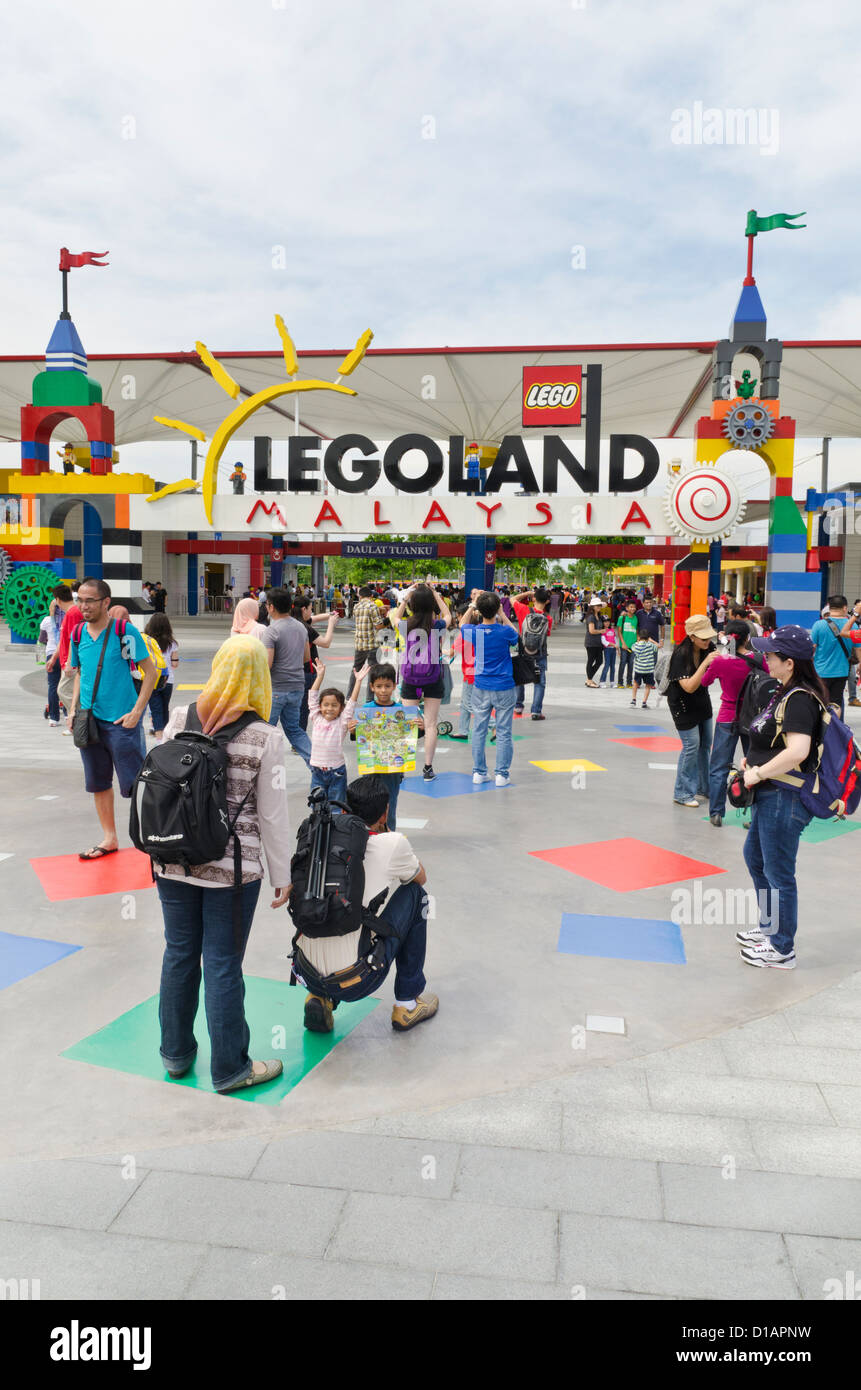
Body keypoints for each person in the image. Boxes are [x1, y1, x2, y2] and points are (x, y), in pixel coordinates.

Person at [156, 636, 291, 1091]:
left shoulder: (179, 719)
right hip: (233, 871)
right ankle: (231, 1068)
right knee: (222, 963)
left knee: (178, 954)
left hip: (172, 860)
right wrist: (283, 875)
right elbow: (272, 814)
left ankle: (175, 1054)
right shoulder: (266, 737)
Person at [289, 774, 437, 1035]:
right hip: (354, 981)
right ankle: (407, 1003)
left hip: (305, 970)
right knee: (416, 895)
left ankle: (318, 996)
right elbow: (420, 877)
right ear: (385, 812)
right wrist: (390, 834)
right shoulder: (391, 843)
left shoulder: (318, 833)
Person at [737, 626, 830, 969]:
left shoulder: (800, 699)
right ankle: (769, 927)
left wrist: (758, 772)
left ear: (789, 663)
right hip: (771, 793)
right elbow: (773, 738)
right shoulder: (785, 691)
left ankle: (781, 948)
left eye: (771, 655)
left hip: (784, 796)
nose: (766, 658)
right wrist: (755, 760)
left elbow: (798, 751)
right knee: (757, 859)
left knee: (778, 871)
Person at [66, 577, 157, 859]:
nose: (83, 606)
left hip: (122, 722)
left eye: (89, 601)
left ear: (106, 602)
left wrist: (137, 712)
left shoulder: (123, 631)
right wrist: (73, 709)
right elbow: (80, 672)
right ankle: (109, 838)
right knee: (98, 782)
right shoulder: (78, 633)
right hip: (89, 720)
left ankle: (152, 841)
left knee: (137, 784)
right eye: (80, 600)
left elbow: (150, 673)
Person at [701, 620, 766, 826]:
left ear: (727, 637)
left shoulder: (721, 661)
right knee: (755, 766)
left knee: (719, 767)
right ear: (748, 638)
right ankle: (755, 815)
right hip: (753, 719)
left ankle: (717, 813)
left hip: (727, 718)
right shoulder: (758, 659)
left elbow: (704, 682)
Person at [390, 581, 451, 781]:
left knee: (407, 723)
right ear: (431, 604)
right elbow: (448, 616)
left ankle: (401, 769)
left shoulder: (406, 625)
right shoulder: (437, 626)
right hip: (433, 677)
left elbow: (396, 616)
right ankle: (427, 768)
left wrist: (406, 596)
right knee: (431, 724)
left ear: (412, 604)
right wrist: (435, 595)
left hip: (410, 678)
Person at [459, 590, 519, 788]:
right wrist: (502, 615)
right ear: (497, 608)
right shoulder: (504, 632)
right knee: (503, 731)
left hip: (481, 685)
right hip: (504, 685)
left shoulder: (474, 631)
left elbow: (461, 624)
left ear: (479, 610)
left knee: (478, 730)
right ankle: (501, 774)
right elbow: (516, 635)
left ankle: (479, 771)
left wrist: (472, 605)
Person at [351, 662, 418, 829]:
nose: (383, 690)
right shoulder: (366, 710)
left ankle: (390, 836)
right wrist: (353, 731)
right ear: (372, 687)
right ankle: (369, 835)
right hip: (372, 768)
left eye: (387, 686)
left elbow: (408, 738)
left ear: (394, 686)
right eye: (379, 686)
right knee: (369, 804)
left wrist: (419, 729)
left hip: (393, 770)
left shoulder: (401, 710)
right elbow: (359, 739)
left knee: (390, 806)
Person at [667, 614, 716, 807]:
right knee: (691, 746)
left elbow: (709, 678)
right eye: (703, 638)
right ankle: (682, 792)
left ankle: (704, 787)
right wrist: (705, 664)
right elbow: (688, 686)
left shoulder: (709, 648)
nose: (708, 641)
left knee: (705, 745)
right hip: (683, 706)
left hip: (702, 701)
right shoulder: (680, 655)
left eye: (709, 637)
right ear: (692, 637)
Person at [259, 588, 313, 763]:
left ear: (271, 607)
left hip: (276, 688)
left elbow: (267, 664)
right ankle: (318, 765)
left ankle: (258, 771)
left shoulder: (271, 631)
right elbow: (307, 658)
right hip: (297, 686)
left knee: (265, 731)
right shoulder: (301, 627)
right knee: (294, 730)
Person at [307, 659, 367, 805]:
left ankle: (335, 828)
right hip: (317, 771)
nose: (329, 708)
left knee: (336, 806)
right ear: (320, 707)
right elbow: (312, 696)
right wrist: (320, 676)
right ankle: (319, 829)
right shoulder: (317, 717)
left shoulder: (341, 723)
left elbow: (352, 703)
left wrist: (358, 681)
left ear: (341, 708)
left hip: (336, 772)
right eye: (326, 705)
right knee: (317, 807)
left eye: (334, 705)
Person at [292, 598, 339, 730]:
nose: (312, 611)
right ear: (304, 609)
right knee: (304, 708)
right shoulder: (306, 628)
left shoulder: (292, 621)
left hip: (292, 670)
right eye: (311, 608)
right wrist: (331, 624)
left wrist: (330, 615)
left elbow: (315, 618)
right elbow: (326, 643)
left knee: (295, 707)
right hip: (308, 671)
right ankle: (298, 738)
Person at [510, 586, 552, 720]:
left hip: (523, 651)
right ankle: (536, 711)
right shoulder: (548, 618)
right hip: (540, 653)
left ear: (534, 598)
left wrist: (527, 593)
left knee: (519, 678)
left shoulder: (524, 610)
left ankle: (518, 706)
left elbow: (512, 599)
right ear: (547, 601)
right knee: (540, 682)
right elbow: (547, 634)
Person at [811, 594, 853, 716]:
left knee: (819, 701)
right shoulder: (852, 625)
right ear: (845, 608)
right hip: (841, 671)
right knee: (836, 703)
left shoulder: (818, 625)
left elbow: (811, 648)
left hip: (821, 671)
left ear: (829, 608)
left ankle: (818, 730)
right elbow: (858, 649)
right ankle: (835, 729)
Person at [42, 584, 75, 725]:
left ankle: (72, 718)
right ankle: (71, 718)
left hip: (70, 661)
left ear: (57, 599)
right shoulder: (69, 614)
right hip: (64, 659)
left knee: (63, 690)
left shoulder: (72, 613)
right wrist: (55, 657)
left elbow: (73, 640)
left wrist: (69, 662)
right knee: (63, 690)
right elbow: (64, 639)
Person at [145, 613, 179, 740]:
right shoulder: (172, 643)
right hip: (168, 679)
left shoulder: (148, 641)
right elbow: (175, 664)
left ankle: (159, 735)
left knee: (155, 708)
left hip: (152, 679)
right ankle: (165, 733)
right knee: (165, 707)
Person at [449, 602, 475, 738]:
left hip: (471, 673)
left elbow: (451, 653)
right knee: (466, 703)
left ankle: (493, 725)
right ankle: (463, 730)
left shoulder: (464, 634)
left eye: (458, 616)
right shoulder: (478, 629)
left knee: (469, 703)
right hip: (479, 672)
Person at [352, 583, 385, 674]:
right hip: (372, 644)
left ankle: (352, 688)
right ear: (371, 596)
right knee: (373, 672)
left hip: (360, 644)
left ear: (360, 596)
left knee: (356, 670)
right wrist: (388, 620)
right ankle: (371, 688)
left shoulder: (356, 607)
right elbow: (378, 626)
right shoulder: (372, 606)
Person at [631, 631, 658, 708]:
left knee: (635, 683)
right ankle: (644, 702)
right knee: (648, 686)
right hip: (648, 670)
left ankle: (633, 700)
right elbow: (657, 647)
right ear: (648, 638)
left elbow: (632, 648)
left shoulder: (635, 645)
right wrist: (652, 641)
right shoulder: (651, 645)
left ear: (639, 637)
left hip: (639, 669)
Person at [616, 600, 639, 688]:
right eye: (631, 607)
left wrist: (637, 642)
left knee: (631, 664)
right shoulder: (622, 618)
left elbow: (636, 631)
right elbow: (619, 632)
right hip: (624, 646)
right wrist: (623, 644)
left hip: (633, 646)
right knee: (622, 663)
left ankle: (629, 682)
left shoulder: (636, 618)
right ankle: (620, 682)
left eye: (634, 607)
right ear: (626, 608)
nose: (633, 608)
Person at [584, 596, 605, 686]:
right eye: (597, 605)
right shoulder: (591, 617)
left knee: (600, 661)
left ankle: (589, 679)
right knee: (591, 660)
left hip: (599, 642)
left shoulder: (599, 617)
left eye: (600, 605)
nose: (599, 607)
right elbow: (591, 631)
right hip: (591, 642)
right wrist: (601, 631)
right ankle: (589, 680)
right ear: (592, 607)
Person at [598, 621, 617, 689]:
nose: (607, 623)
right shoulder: (603, 631)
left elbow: (615, 639)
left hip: (613, 649)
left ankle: (612, 681)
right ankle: (602, 681)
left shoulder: (612, 630)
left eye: (608, 622)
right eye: (605, 622)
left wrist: (616, 647)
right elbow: (604, 641)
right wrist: (612, 644)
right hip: (607, 649)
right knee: (607, 665)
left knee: (613, 666)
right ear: (603, 623)